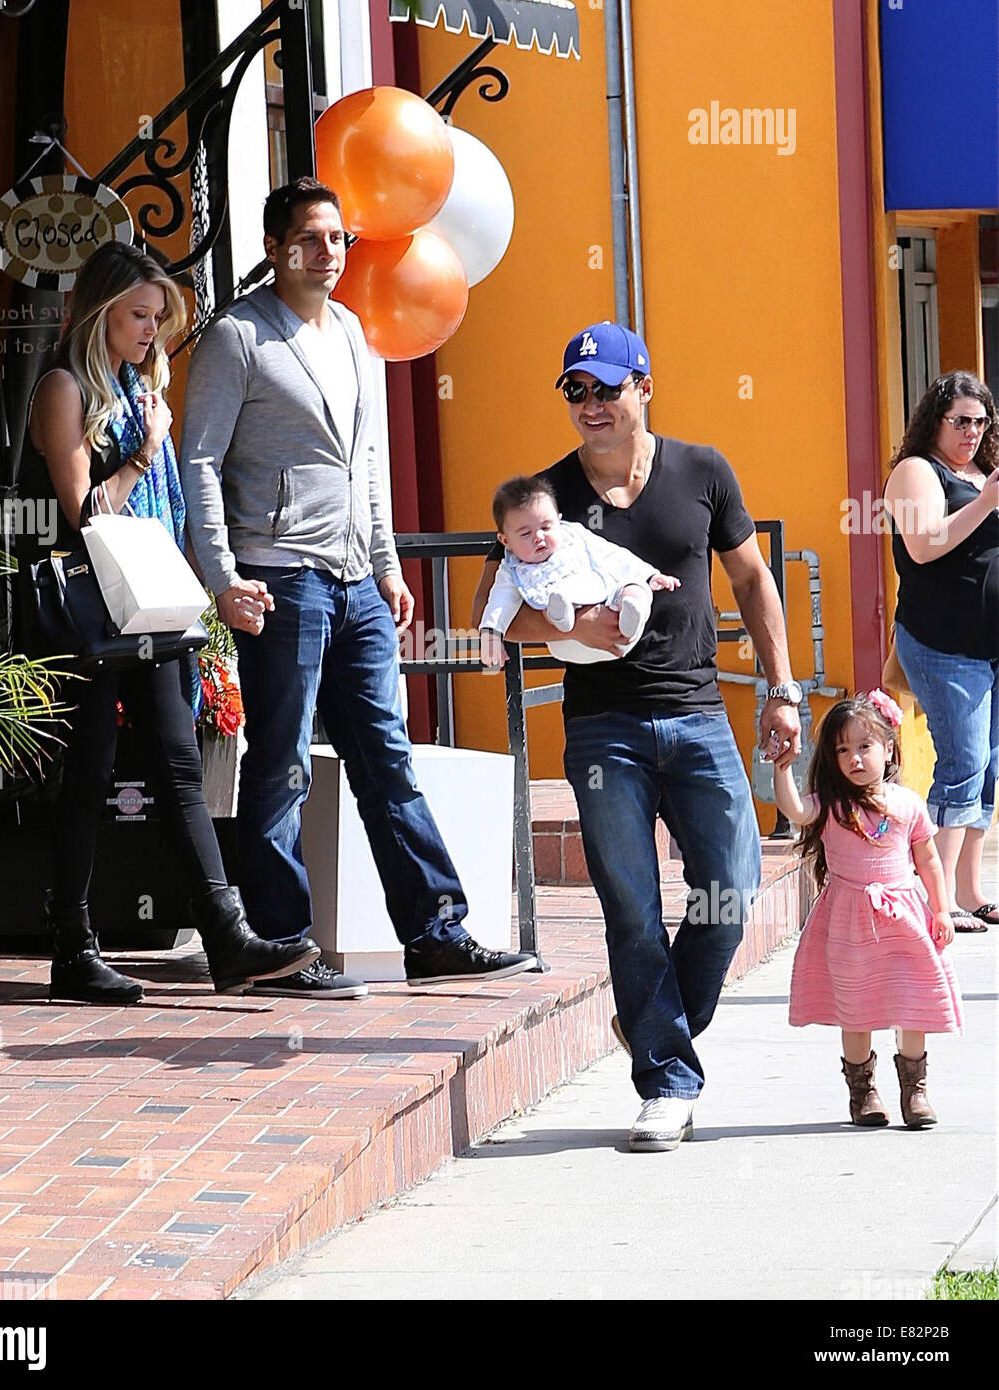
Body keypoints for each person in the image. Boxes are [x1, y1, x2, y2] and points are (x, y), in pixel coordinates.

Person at [179, 176, 534, 998]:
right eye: (308, 238)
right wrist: (223, 577)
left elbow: (366, 461)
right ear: (273, 249)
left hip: (354, 584)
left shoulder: (350, 331)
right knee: (281, 767)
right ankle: (281, 944)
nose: (326, 253)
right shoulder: (238, 336)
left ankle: (435, 932)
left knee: (387, 759)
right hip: (279, 578)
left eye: (337, 239)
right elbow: (198, 461)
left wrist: (384, 564)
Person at [471, 322, 802, 1150]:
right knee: (631, 907)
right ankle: (666, 1082)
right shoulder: (544, 496)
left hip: (696, 710)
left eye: (606, 388)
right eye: (575, 391)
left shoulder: (702, 470)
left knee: (731, 886)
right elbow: (493, 605)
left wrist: (783, 690)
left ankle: (659, 1026)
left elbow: (753, 578)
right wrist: (573, 619)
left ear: (644, 387)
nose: (589, 405)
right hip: (602, 725)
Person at [17, 242, 318, 1004]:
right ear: (100, 313)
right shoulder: (64, 388)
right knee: (85, 773)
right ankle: (72, 948)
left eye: (158, 318)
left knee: (179, 768)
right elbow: (86, 513)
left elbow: (171, 514)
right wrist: (145, 451)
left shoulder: (138, 388)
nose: (152, 330)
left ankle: (228, 938)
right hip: (92, 607)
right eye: (138, 315)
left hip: (154, 602)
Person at [775, 690, 962, 1128]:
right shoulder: (832, 806)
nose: (855, 758)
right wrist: (783, 769)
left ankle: (915, 1091)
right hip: (849, 923)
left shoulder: (906, 804)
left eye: (865, 746)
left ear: (889, 748)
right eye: (843, 750)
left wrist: (940, 909)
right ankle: (863, 1092)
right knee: (854, 1009)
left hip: (904, 920)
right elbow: (797, 811)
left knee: (912, 1002)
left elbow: (928, 860)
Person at [883, 370, 999, 931]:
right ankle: (936, 897)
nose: (972, 432)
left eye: (981, 422)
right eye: (961, 421)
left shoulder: (981, 475)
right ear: (936, 420)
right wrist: (987, 501)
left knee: (988, 767)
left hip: (991, 646)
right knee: (961, 765)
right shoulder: (916, 472)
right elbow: (925, 545)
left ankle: (971, 891)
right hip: (942, 643)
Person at [478, 474, 679, 669]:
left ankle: (631, 613)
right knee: (552, 604)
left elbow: (612, 554)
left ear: (559, 520)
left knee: (635, 588)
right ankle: (564, 613)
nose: (539, 537)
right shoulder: (513, 569)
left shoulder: (573, 536)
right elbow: (499, 602)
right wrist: (491, 633)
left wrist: (649, 574)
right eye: (525, 533)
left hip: (616, 624)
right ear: (505, 541)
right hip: (568, 641)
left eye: (546, 527)